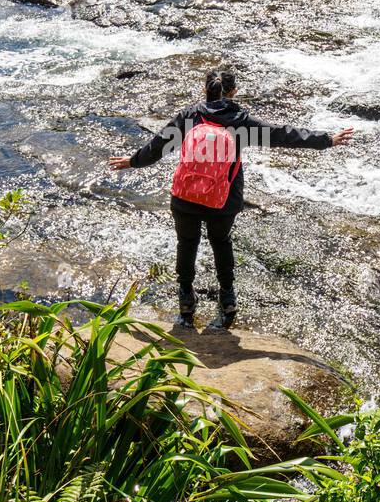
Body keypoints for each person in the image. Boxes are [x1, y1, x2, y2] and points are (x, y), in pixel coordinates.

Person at [109, 70, 353, 330]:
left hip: (185, 196)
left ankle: (186, 303)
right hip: (223, 199)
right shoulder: (241, 122)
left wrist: (132, 162)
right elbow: (282, 134)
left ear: (205, 90)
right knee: (221, 242)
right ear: (234, 92)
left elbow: (158, 146)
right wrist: (326, 140)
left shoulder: (190, 116)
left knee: (187, 242)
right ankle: (227, 299)